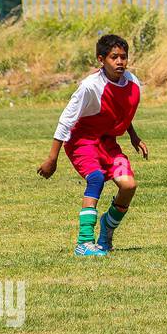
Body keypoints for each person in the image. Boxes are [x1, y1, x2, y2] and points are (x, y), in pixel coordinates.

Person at [37, 34, 148, 256]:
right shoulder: (90, 86)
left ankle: (106, 229)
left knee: (128, 186)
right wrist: (52, 158)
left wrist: (134, 136)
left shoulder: (132, 83)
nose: (119, 62)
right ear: (101, 59)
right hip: (81, 140)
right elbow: (66, 119)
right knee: (96, 177)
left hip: (108, 142)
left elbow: (120, 112)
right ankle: (84, 243)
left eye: (123, 57)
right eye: (113, 57)